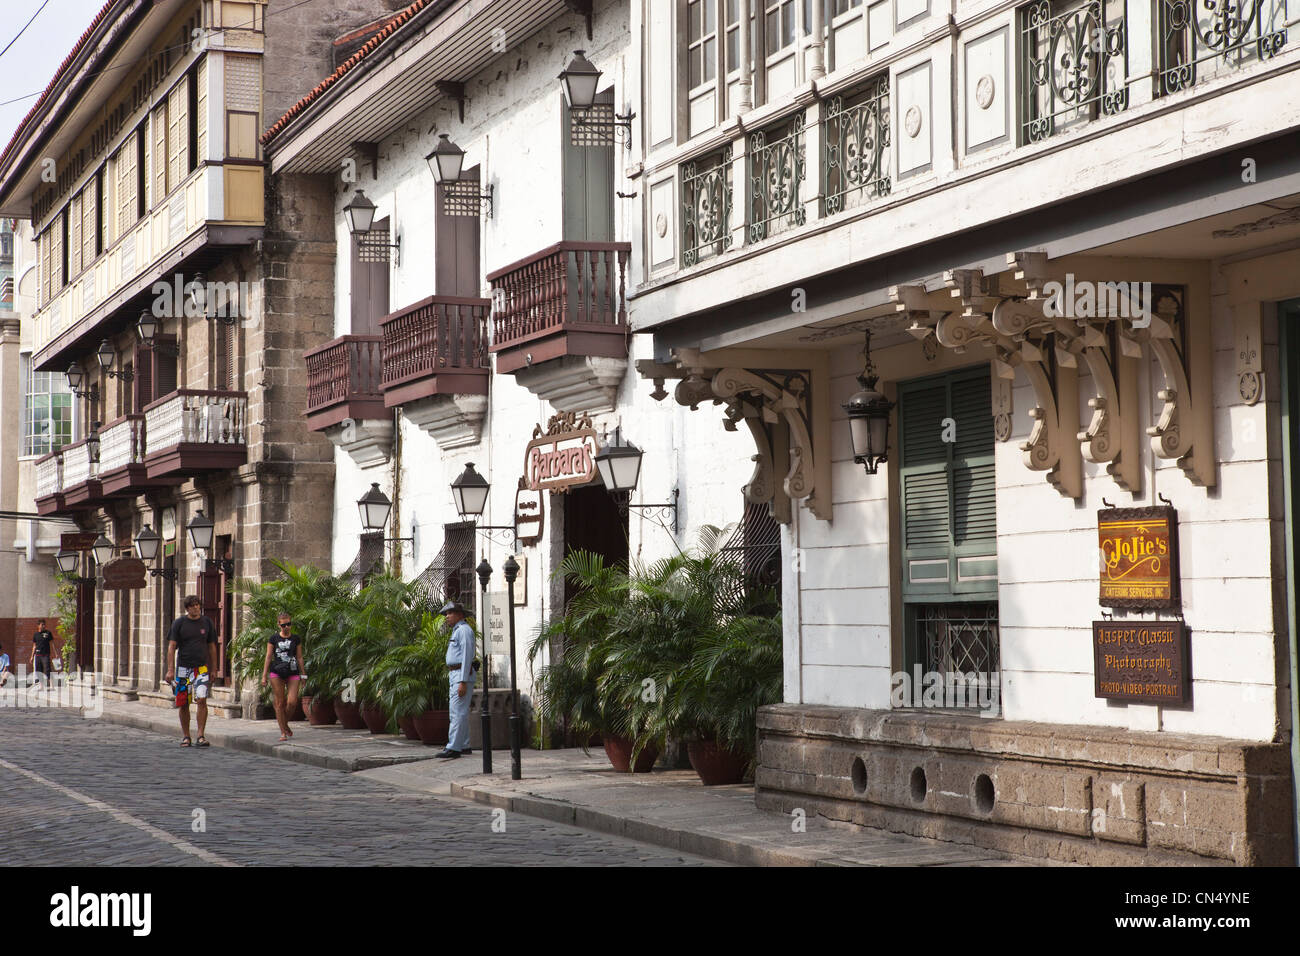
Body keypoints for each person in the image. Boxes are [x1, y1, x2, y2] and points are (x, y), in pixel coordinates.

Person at [165, 596, 218, 748]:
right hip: (183, 669)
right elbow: (171, 647)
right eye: (193, 606)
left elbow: (212, 646)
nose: (196, 608)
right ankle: (186, 736)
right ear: (187, 608)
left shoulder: (206, 622)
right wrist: (170, 670)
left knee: (202, 699)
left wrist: (214, 668)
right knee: (183, 703)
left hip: (201, 668)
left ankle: (200, 735)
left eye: (198, 605)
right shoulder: (179, 623)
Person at [435, 601, 477, 759]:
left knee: (457, 712)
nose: (447, 617)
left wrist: (463, 681)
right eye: (446, 614)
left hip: (461, 674)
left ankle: (453, 747)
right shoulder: (457, 631)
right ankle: (464, 744)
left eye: (449, 613)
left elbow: (467, 656)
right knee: (460, 712)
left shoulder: (463, 631)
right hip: (456, 674)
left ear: (459, 615)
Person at [261, 612, 305, 742]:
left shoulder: (296, 639)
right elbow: (268, 656)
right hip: (277, 673)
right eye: (284, 625)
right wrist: (264, 676)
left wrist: (303, 674)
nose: (286, 627)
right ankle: (283, 732)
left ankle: (284, 724)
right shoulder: (273, 639)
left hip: (293, 672)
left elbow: (300, 657)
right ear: (279, 625)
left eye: (289, 624)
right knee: (280, 703)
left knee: (292, 702)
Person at [30, 619, 54, 691]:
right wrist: (31, 656)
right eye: (42, 624)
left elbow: (52, 643)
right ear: (38, 625)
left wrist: (55, 653)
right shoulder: (35, 635)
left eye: (44, 624)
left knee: (48, 670)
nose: (43, 626)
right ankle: (41, 686)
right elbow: (34, 646)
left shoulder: (48, 633)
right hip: (37, 655)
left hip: (46, 655)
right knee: (39, 671)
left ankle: (52, 686)